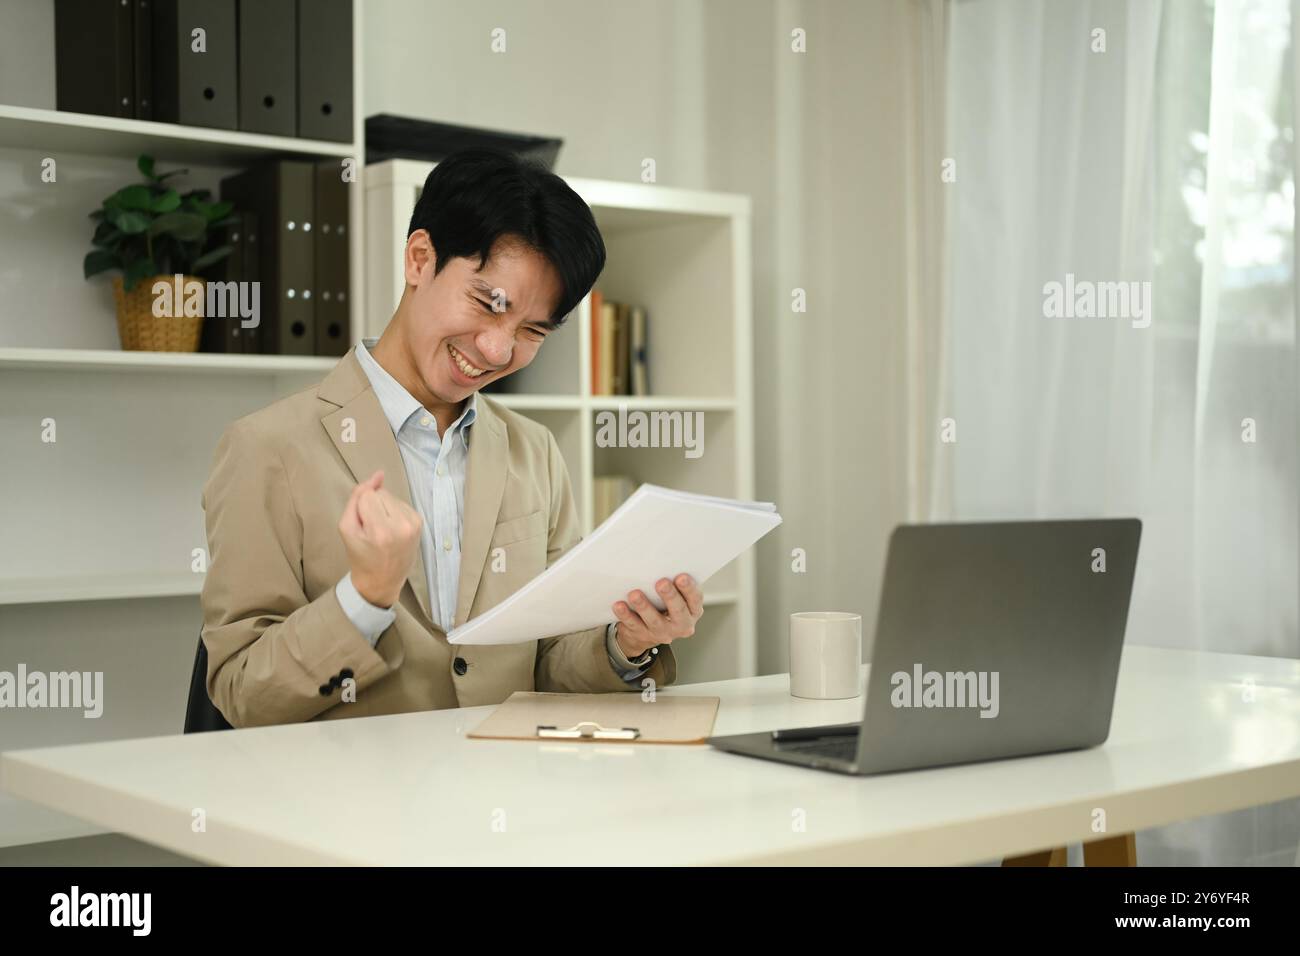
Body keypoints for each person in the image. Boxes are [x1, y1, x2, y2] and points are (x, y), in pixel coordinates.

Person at [200, 148, 702, 727]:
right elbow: (242, 693)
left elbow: (548, 663)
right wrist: (362, 599)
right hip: (346, 806)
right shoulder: (266, 449)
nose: (497, 350)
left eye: (531, 330)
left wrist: (625, 642)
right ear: (419, 259)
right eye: (488, 304)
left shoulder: (533, 450)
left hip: (506, 797)